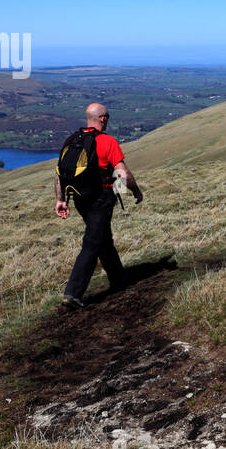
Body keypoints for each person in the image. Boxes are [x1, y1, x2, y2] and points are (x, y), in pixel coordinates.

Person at [55, 103, 143, 309]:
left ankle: (119, 279)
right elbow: (122, 174)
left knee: (102, 237)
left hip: (78, 199)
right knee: (93, 242)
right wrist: (134, 191)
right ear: (102, 119)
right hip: (100, 199)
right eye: (108, 117)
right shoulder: (107, 141)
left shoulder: (72, 140)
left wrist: (60, 200)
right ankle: (73, 293)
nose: (108, 121)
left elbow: (60, 173)